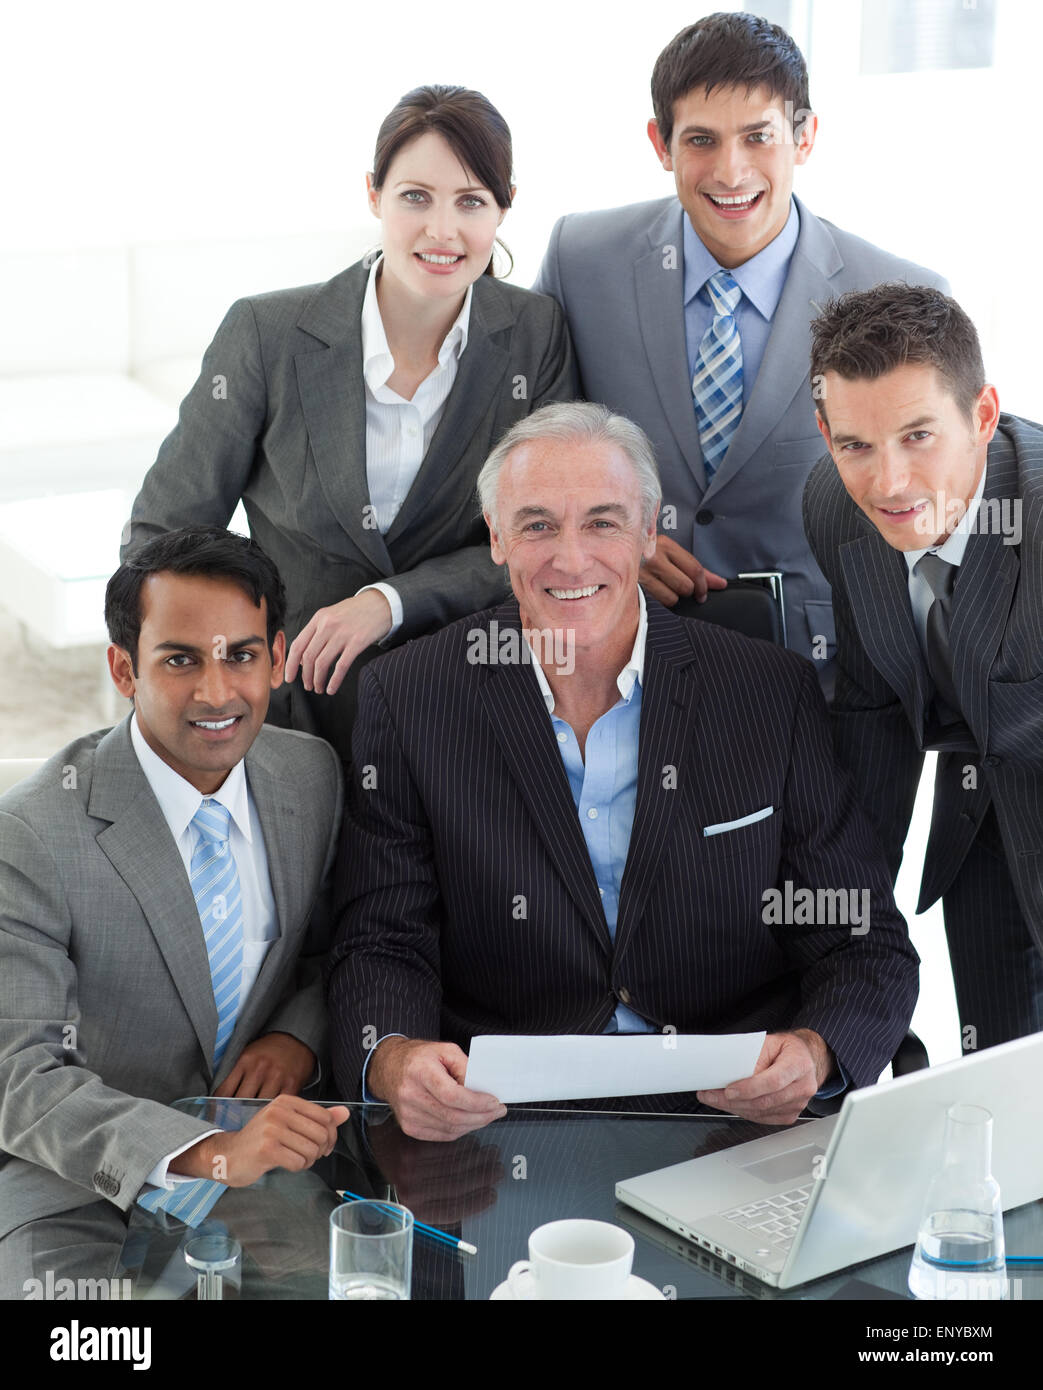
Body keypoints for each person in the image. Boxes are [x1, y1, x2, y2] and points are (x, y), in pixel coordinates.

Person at [326, 402, 919, 1142]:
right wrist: (392, 1057)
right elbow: (383, 938)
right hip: (497, 1119)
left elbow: (858, 936)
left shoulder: (770, 691)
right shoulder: (411, 695)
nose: (570, 558)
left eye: (602, 522)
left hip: (729, 1109)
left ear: (647, 532)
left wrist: (816, 1050)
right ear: (497, 539)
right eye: (537, 524)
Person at [122, 85, 577, 763]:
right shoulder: (267, 335)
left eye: (471, 202)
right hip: (285, 710)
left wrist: (388, 601)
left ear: (504, 208)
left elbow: (545, 538)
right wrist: (222, 667)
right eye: (415, 196)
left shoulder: (533, 334)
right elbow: (162, 535)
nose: (442, 232)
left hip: (463, 708)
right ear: (374, 194)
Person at [533, 12, 946, 687]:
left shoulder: (902, 293)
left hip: (830, 681)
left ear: (803, 137)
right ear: (659, 144)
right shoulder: (581, 258)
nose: (730, 171)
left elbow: (939, 512)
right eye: (700, 139)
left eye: (757, 137)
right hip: (619, 662)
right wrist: (602, 542)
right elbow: (528, 454)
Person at [0, 527, 348, 1296]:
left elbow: (338, 950)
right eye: (181, 659)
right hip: (71, 1183)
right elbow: (17, 1076)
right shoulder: (32, 834)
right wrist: (204, 1151)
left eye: (241, 656)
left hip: (265, 1176)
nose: (217, 692)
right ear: (124, 669)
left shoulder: (310, 775)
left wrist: (298, 1034)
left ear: (278, 657)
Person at [803, 284, 1043, 1051]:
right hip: (986, 831)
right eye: (855, 445)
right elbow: (874, 713)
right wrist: (842, 944)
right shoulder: (834, 508)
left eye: (916, 436)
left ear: (981, 416)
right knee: (1007, 1110)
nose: (889, 484)